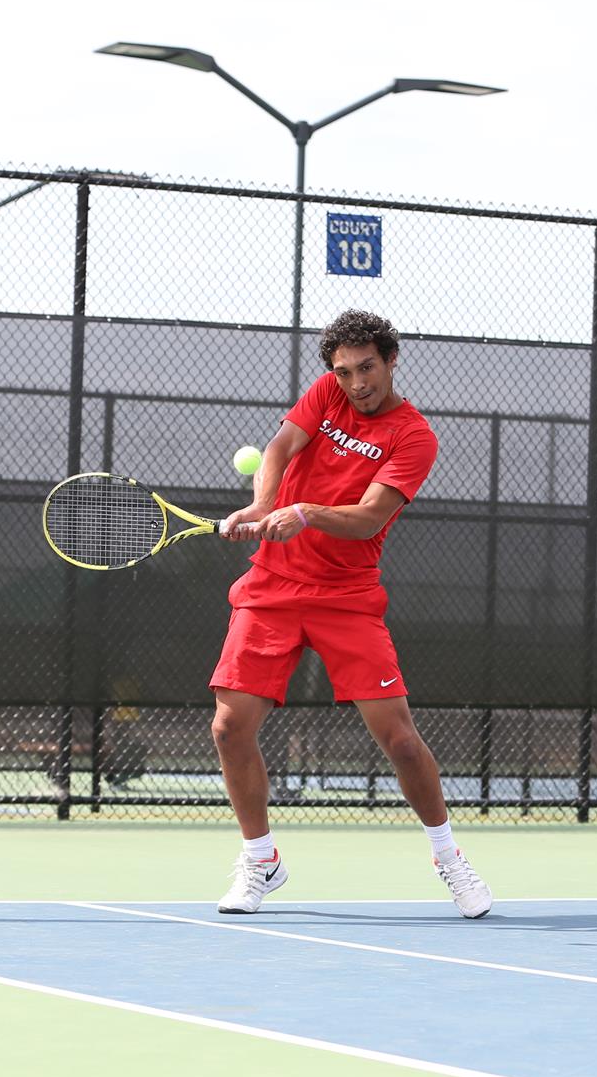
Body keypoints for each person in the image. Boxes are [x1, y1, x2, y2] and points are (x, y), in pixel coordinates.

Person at [210, 309, 492, 918]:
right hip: (272, 587)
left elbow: (367, 517)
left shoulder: (415, 436)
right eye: (344, 371)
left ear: (392, 361)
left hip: (348, 595)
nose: (357, 382)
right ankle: (260, 859)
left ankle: (448, 856)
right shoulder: (326, 394)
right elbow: (281, 447)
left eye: (368, 368)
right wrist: (260, 509)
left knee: (401, 742)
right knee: (229, 728)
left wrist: (305, 513)